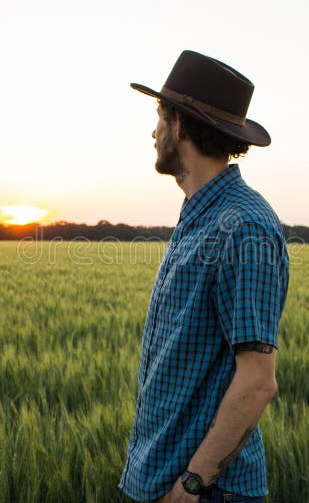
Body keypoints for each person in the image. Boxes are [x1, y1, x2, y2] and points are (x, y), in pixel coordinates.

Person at [119, 50, 290, 503]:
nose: (152, 131)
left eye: (159, 116)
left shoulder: (243, 227)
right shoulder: (202, 217)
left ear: (178, 126)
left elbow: (257, 381)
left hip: (206, 491)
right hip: (164, 477)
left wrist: (192, 484)